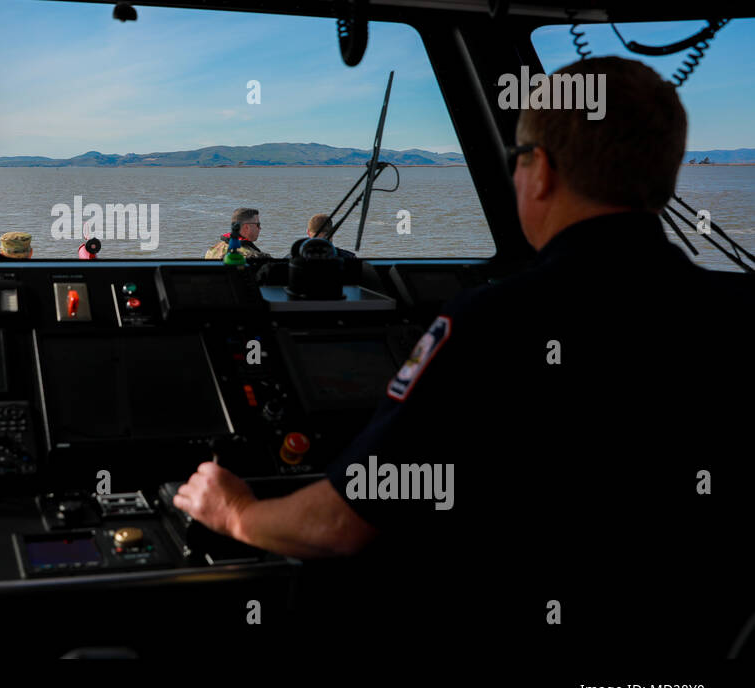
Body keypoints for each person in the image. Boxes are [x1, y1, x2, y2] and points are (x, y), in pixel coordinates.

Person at [174, 57, 754, 656]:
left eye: (518, 160)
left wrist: (235, 511)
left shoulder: (492, 324)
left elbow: (338, 527)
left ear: (541, 171)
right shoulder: (740, 312)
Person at [204, 207, 272, 260]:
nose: (260, 228)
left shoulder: (211, 250)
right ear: (246, 227)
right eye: (258, 225)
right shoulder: (252, 257)